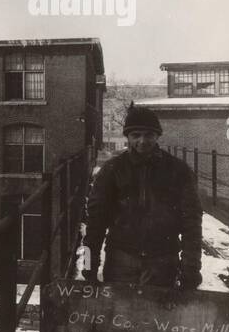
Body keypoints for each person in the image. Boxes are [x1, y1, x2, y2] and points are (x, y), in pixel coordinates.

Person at [83, 104, 202, 289]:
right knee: (120, 315)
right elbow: (95, 223)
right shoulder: (112, 170)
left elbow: (192, 222)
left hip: (162, 263)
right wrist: (88, 267)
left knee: (158, 317)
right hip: (121, 262)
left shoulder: (178, 171)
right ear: (128, 137)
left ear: (157, 136)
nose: (142, 141)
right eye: (135, 135)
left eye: (149, 135)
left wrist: (191, 269)